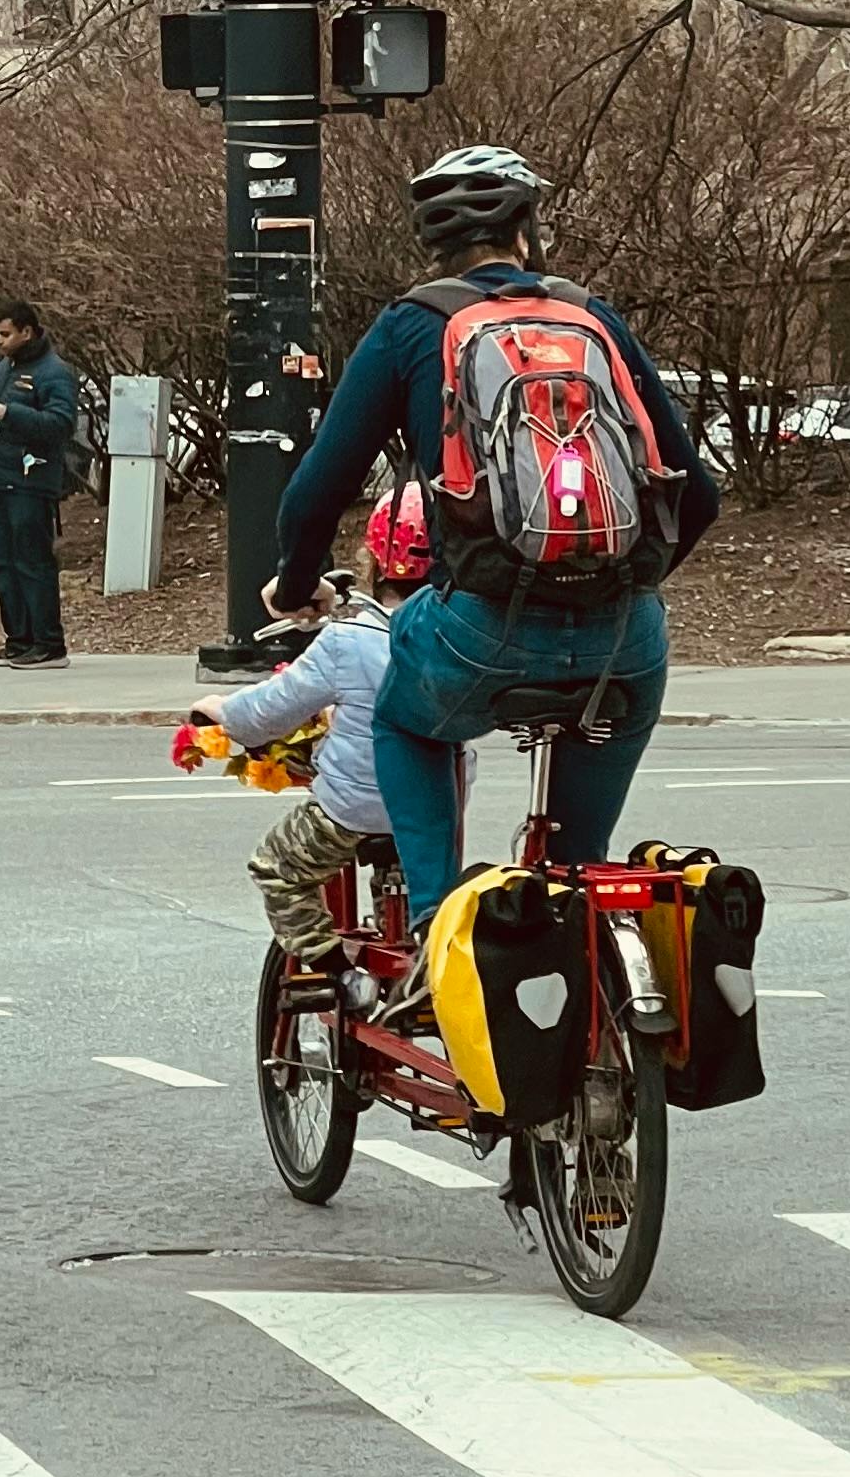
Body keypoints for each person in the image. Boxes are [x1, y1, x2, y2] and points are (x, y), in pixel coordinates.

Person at [263, 147, 719, 939]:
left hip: (478, 632)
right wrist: (614, 588)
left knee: (406, 723)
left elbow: (317, 490)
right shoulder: (592, 319)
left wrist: (297, 580)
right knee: (584, 873)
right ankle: (587, 943)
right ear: (526, 230)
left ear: (431, 243)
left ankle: (443, 933)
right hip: (624, 639)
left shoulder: (411, 325)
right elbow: (699, 496)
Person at [191, 486, 440, 970]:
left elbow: (269, 711)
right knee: (412, 865)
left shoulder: (348, 642)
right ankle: (415, 941)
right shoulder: (455, 636)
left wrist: (222, 710)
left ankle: (334, 970)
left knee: (278, 868)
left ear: (372, 558)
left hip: (356, 808)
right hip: (436, 804)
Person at [0, 300, 82, 666]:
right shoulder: (2, 365)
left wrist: (10, 412)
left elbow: (61, 424)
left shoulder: (53, 372)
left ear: (26, 332)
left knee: (32, 561)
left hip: (31, 480)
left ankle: (48, 643)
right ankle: (19, 639)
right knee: (3, 563)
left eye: (5, 334)